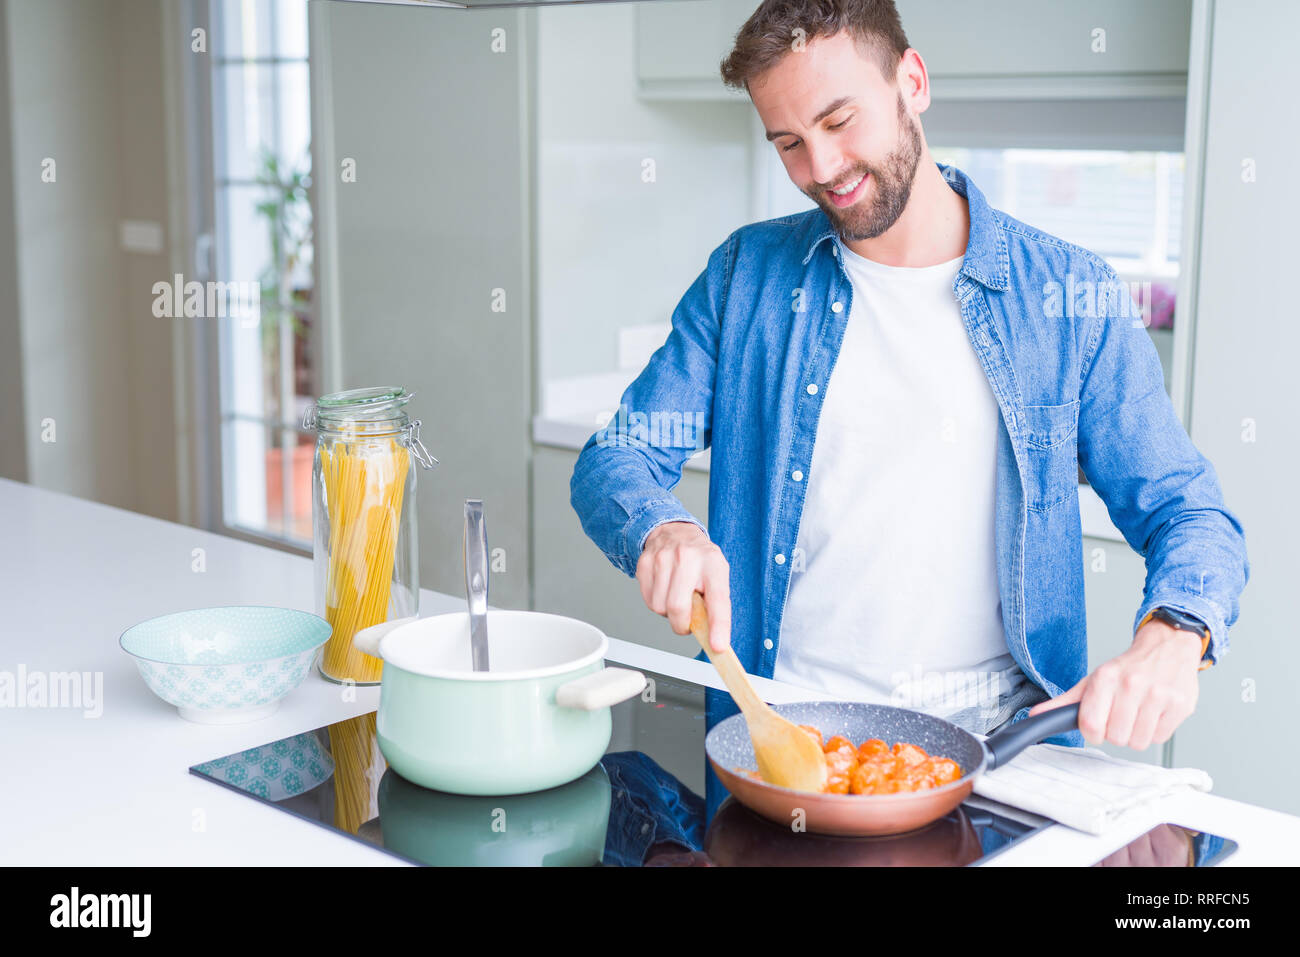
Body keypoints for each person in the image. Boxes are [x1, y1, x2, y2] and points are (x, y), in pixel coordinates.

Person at [569, 0, 1248, 828]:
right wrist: (658, 528)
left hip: (998, 772)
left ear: (911, 83)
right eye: (788, 142)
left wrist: (1174, 635)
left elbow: (1189, 509)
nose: (821, 166)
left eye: (838, 120)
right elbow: (619, 455)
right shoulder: (745, 277)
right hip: (783, 759)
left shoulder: (1068, 299)